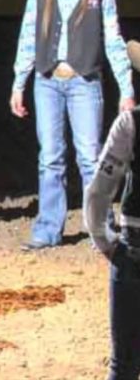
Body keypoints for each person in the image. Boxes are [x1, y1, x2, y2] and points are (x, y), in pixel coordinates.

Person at [11, 0, 134, 251]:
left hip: (84, 82)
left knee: (90, 157)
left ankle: (100, 229)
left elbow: (114, 41)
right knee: (49, 157)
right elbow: (27, 37)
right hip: (47, 81)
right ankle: (48, 229)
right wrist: (18, 83)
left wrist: (126, 88)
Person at [85, 39, 140, 380]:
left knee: (124, 365)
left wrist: (105, 242)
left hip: (133, 254)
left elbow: (98, 193)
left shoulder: (130, 124)